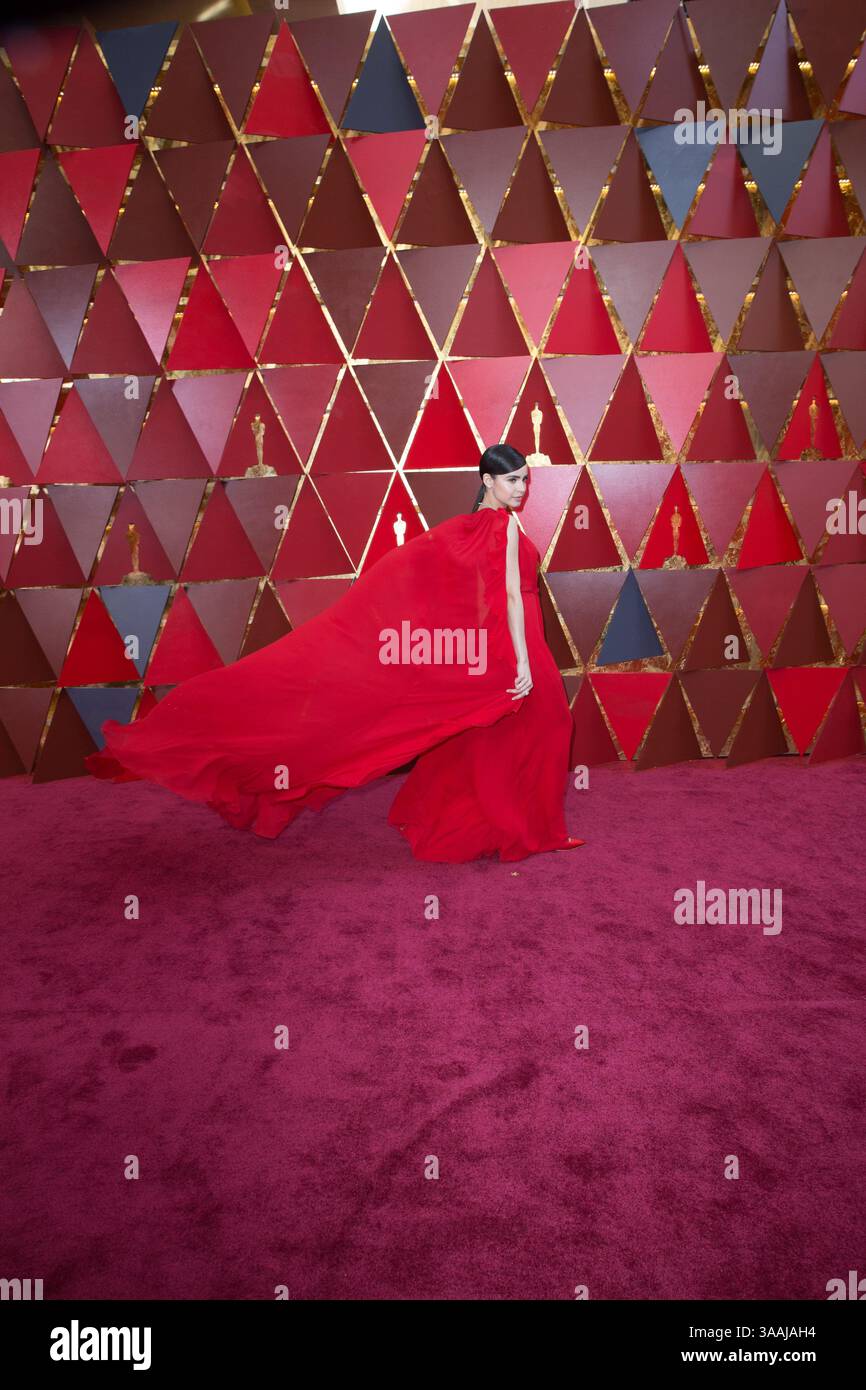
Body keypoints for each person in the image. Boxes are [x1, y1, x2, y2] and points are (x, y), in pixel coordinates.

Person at [86, 444, 584, 863]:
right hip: (518, 647)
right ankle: (513, 827)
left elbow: (464, 591)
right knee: (543, 725)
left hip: (500, 646)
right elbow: (512, 597)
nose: (521, 489)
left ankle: (488, 823)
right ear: (487, 480)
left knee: (499, 733)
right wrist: (519, 661)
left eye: (525, 481)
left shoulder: (469, 528)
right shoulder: (500, 528)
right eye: (513, 480)